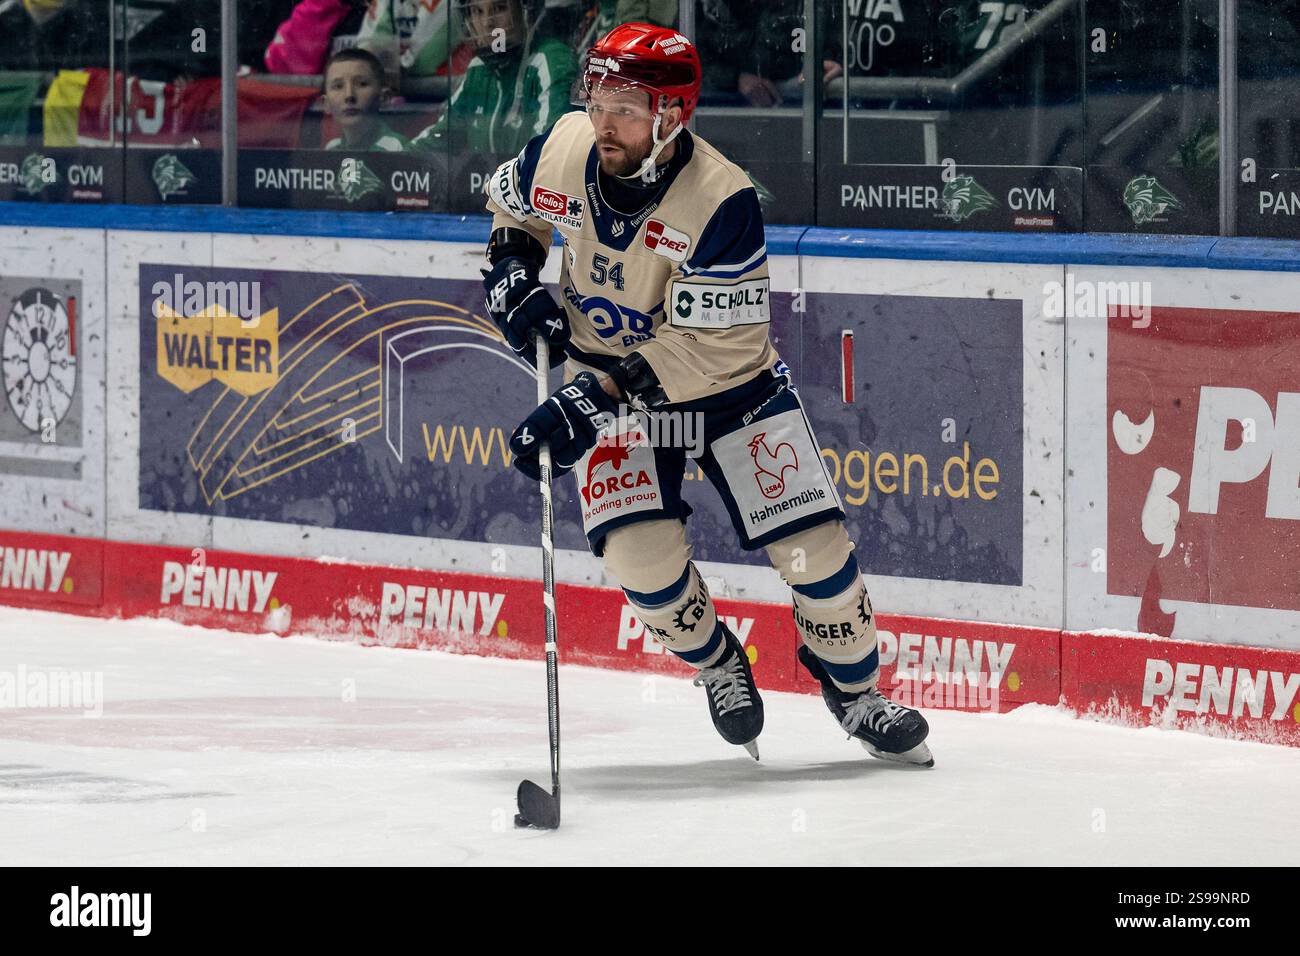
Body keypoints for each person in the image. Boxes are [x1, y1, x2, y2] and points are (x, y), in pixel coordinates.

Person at [480, 23, 933, 765]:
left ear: (671, 115)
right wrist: (512, 276)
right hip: (612, 385)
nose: (603, 120)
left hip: (731, 392)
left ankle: (855, 694)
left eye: (625, 106)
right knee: (640, 562)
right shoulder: (564, 147)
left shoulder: (722, 200)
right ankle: (720, 662)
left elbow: (711, 348)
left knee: (815, 558)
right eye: (596, 97)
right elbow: (515, 215)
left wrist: (592, 397)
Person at [410, 0, 577, 155]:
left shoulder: (552, 60)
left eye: (499, 8)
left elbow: (548, 154)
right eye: (477, 11)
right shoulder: (478, 68)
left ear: (525, 11)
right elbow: (437, 139)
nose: (487, 23)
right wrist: (392, 163)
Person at [321, 47, 413, 150]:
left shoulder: (396, 148)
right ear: (326, 103)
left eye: (362, 84)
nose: (349, 95)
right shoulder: (331, 148)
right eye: (338, 86)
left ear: (384, 97)